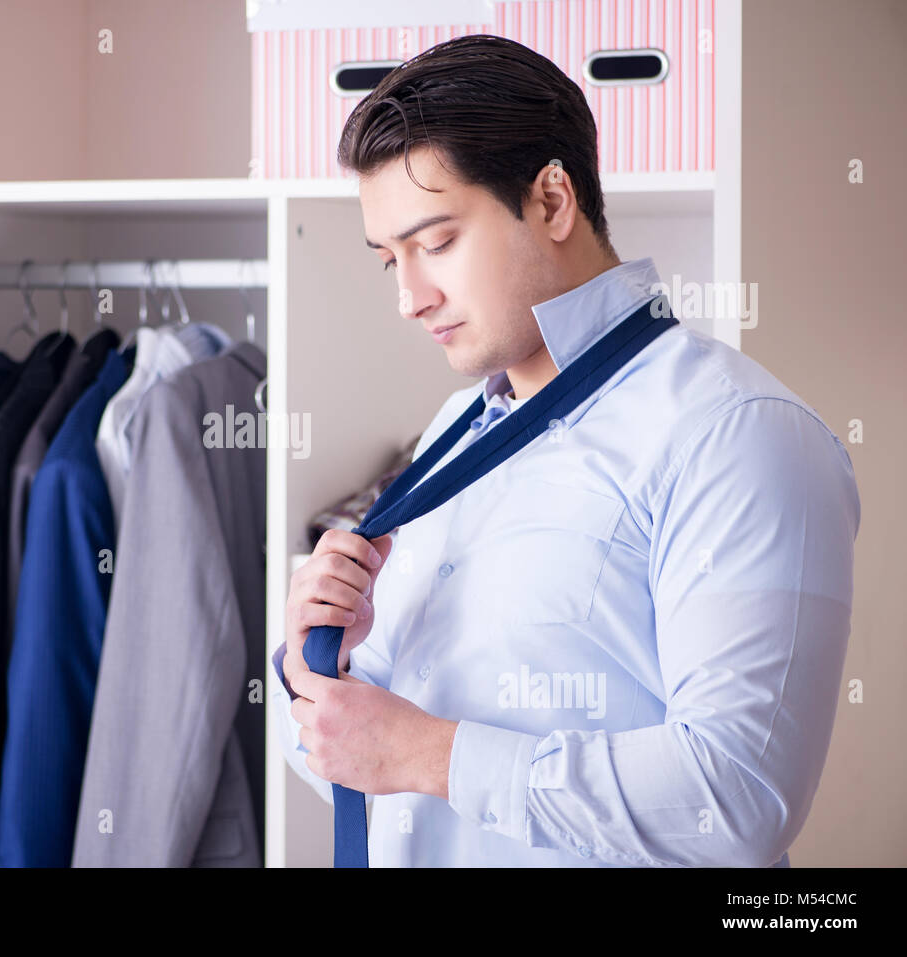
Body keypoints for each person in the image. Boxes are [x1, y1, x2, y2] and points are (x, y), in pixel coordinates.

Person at [272, 35, 860, 867]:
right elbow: (359, 767)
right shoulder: (450, 434)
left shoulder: (740, 433)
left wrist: (428, 753)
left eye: (435, 243)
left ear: (552, 199)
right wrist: (316, 663)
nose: (409, 298)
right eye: (388, 261)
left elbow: (737, 796)